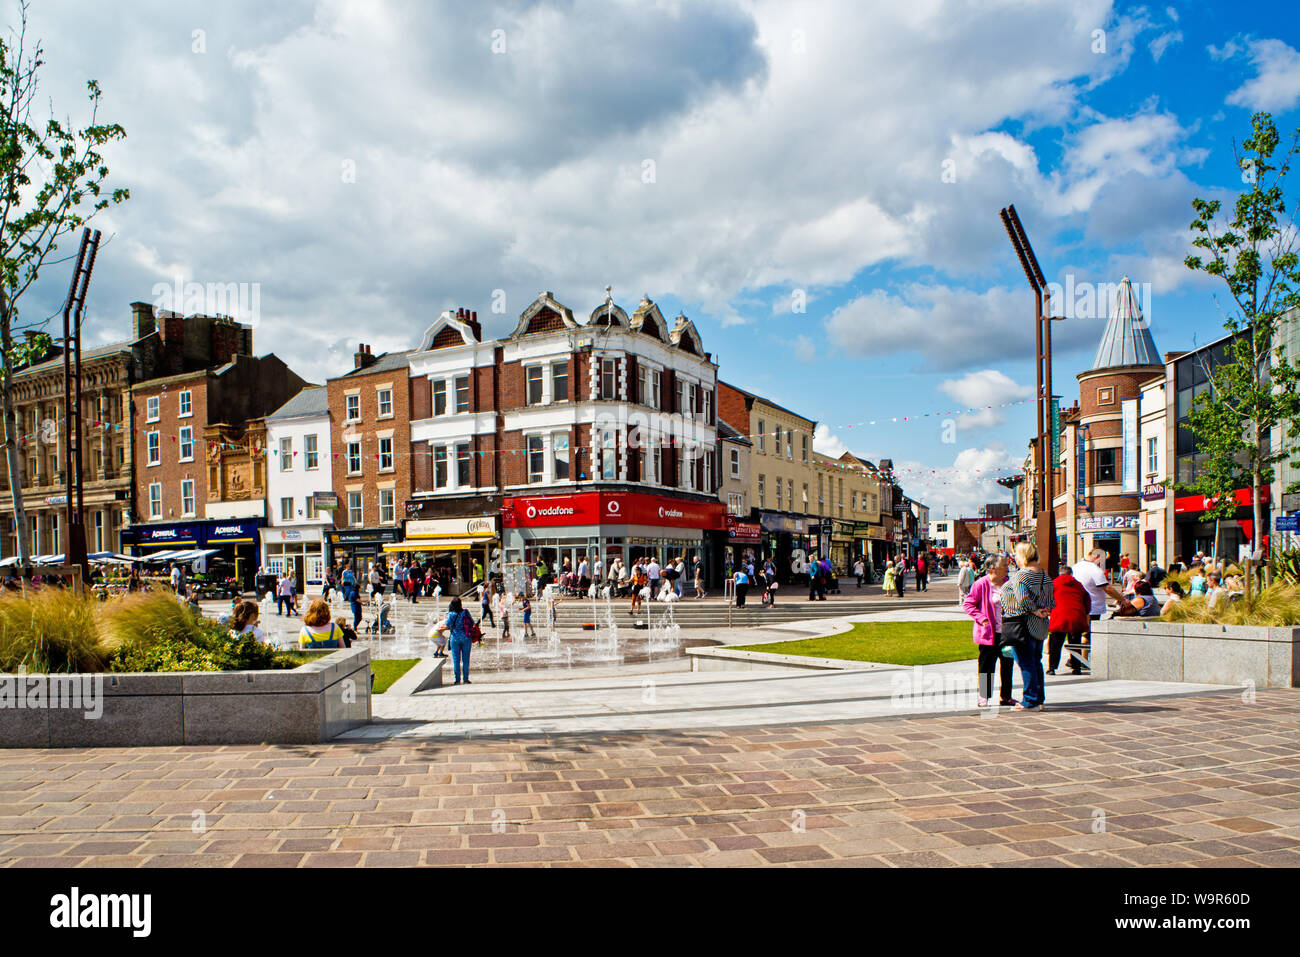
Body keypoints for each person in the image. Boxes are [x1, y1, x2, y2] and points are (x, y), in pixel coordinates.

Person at [1000, 541, 1054, 712]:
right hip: (1040, 626)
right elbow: (1051, 600)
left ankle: (1030, 700)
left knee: (1026, 663)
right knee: (1036, 662)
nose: (1014, 557)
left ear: (1023, 555)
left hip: (1023, 625)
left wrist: (1036, 611)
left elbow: (1022, 600)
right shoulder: (1045, 575)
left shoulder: (1021, 575)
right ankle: (1039, 698)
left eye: (1016, 554)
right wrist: (1044, 610)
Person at [962, 555, 1015, 707]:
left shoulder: (1008, 584)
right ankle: (984, 696)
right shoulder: (981, 584)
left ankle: (1006, 696)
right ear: (993, 569)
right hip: (988, 634)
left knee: (1007, 664)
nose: (1007, 567)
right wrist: (982, 618)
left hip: (1006, 634)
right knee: (986, 665)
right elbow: (968, 604)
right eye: (1004, 565)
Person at [1047, 564, 1090, 676]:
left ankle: (1052, 668)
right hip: (1076, 616)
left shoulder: (1053, 584)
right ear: (1071, 574)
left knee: (1055, 644)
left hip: (1059, 617)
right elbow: (1087, 599)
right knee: (1075, 643)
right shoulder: (1078, 584)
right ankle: (1076, 668)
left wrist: (1049, 611)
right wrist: (1085, 612)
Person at [435, 597, 474, 685]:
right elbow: (472, 622)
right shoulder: (465, 612)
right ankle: (466, 679)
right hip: (466, 638)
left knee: (456, 660)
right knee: (466, 659)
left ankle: (457, 680)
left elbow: (447, 624)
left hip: (455, 638)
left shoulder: (452, 614)